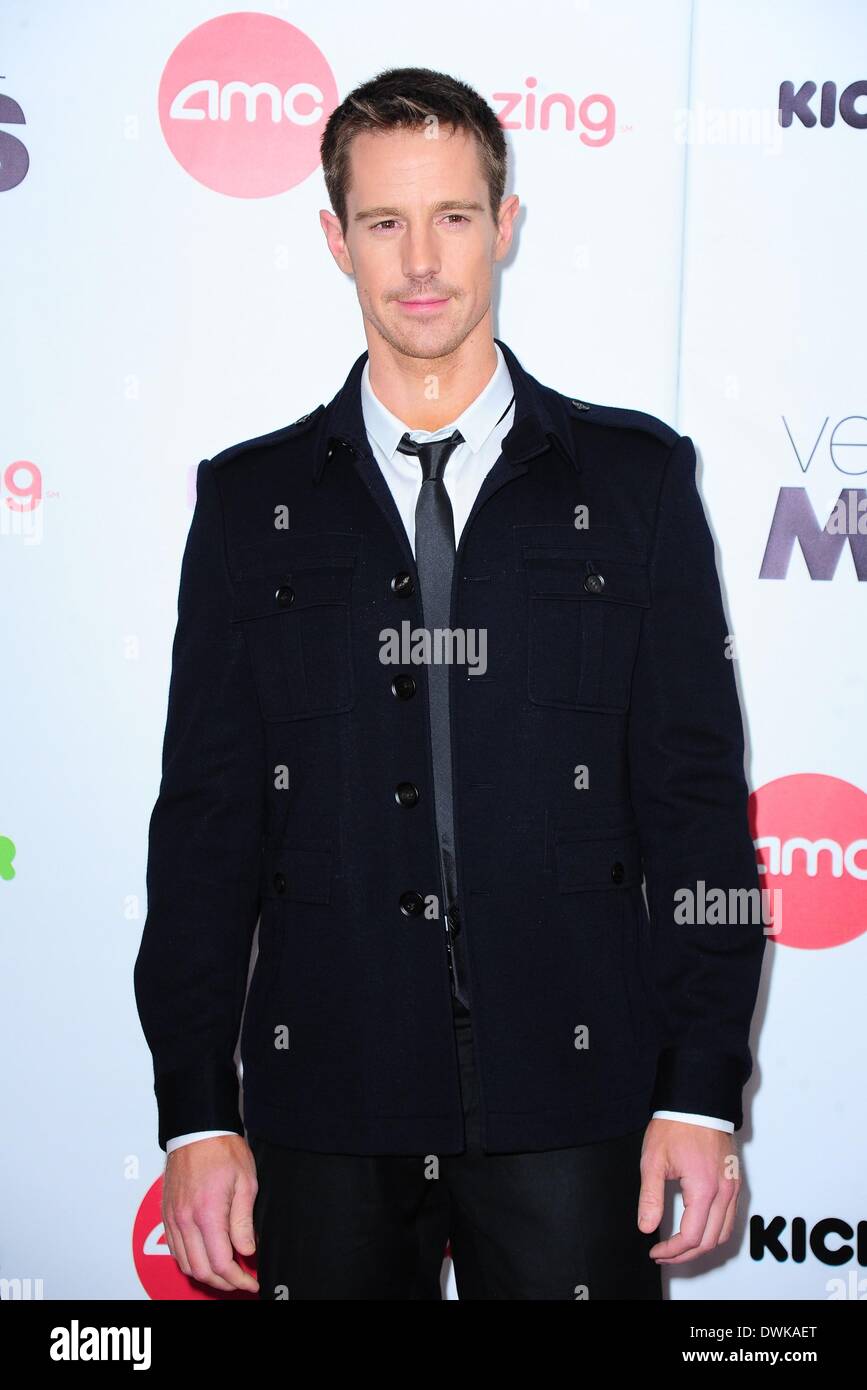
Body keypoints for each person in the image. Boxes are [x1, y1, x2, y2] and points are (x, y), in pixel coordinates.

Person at [134, 66, 766, 1300]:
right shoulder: (248, 506)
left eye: (454, 217)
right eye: (384, 221)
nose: (421, 260)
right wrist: (197, 1112)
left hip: (578, 1110)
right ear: (336, 239)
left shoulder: (635, 485)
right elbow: (205, 830)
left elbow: (697, 811)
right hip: (326, 1107)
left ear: (506, 224)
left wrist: (701, 1087)